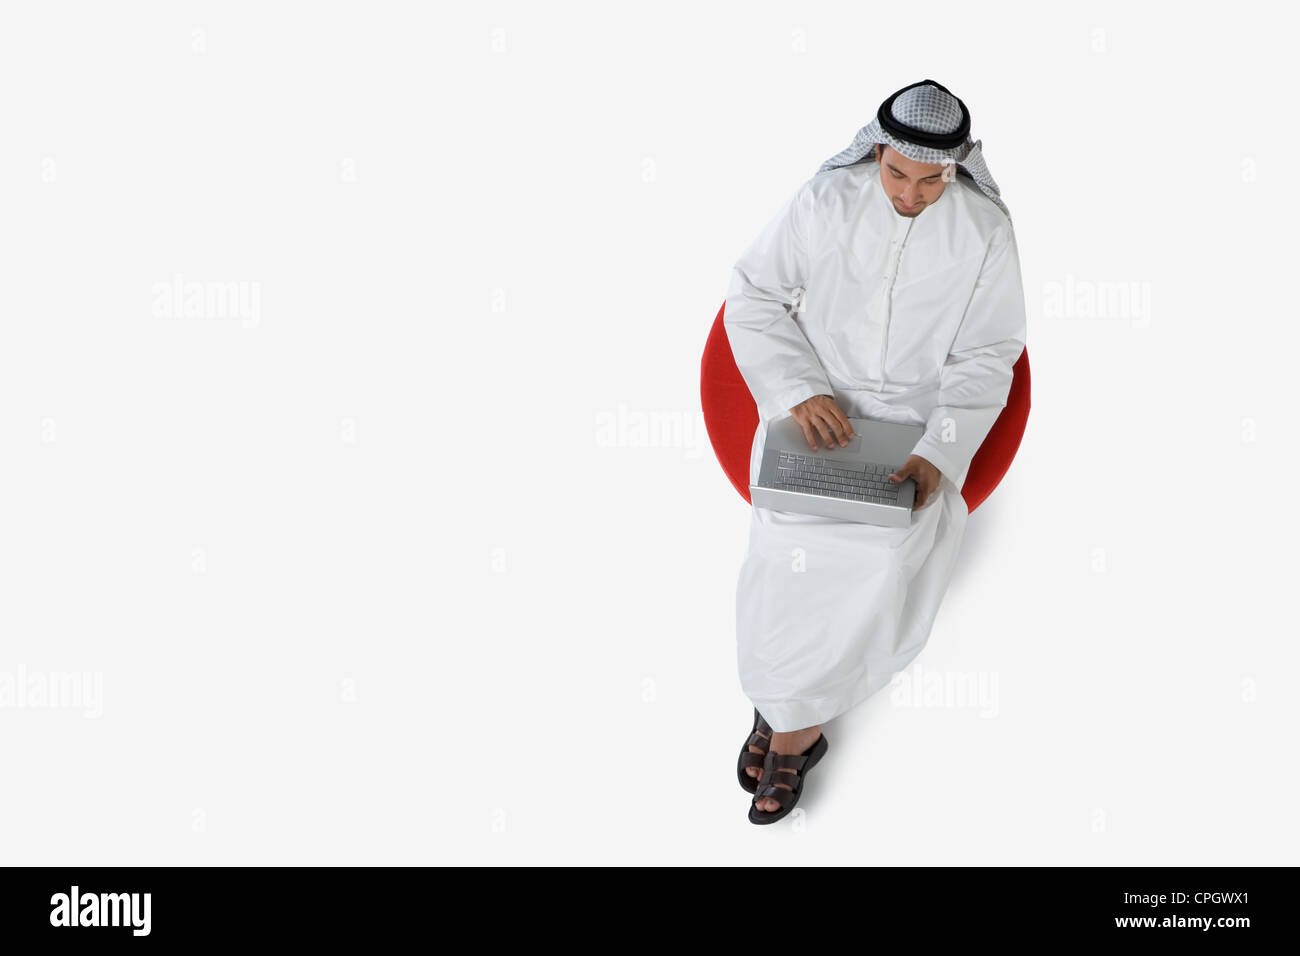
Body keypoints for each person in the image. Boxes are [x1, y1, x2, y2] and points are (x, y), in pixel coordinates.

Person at [723, 79, 1027, 824]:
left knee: (882, 556)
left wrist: (942, 450)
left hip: (916, 422)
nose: (912, 194)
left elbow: (990, 354)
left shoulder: (983, 229)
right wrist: (796, 390)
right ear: (877, 151)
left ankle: (785, 724)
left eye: (933, 179)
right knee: (782, 542)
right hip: (818, 407)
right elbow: (753, 294)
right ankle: (793, 715)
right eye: (897, 173)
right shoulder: (825, 201)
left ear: (956, 168)